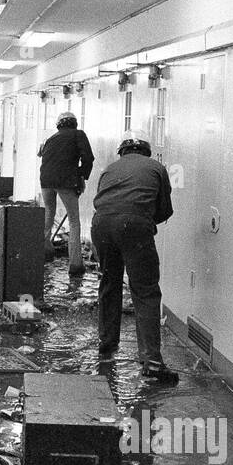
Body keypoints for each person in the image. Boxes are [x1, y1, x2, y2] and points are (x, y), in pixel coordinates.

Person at [91, 131, 177, 383]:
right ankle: (151, 361)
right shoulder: (156, 168)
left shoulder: (109, 169)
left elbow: (103, 201)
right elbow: (164, 210)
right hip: (135, 226)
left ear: (122, 153)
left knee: (109, 283)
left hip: (101, 225)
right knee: (145, 291)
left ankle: (106, 347)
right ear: (146, 152)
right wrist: (140, 219)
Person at [38, 111, 94, 275]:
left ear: (59, 125)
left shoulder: (51, 138)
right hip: (65, 181)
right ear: (74, 124)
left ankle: (43, 253)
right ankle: (76, 265)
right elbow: (88, 158)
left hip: (46, 180)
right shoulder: (78, 134)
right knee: (74, 221)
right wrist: (81, 176)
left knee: (48, 214)